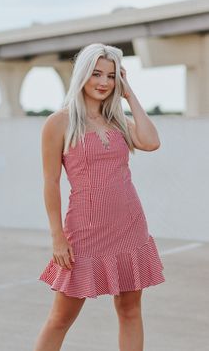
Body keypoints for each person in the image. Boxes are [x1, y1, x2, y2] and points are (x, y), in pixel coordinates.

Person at [33, 43, 165, 351]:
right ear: (82, 75)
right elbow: (50, 182)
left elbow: (152, 141)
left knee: (130, 310)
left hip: (130, 227)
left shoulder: (119, 121)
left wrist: (129, 93)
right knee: (60, 318)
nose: (103, 82)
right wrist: (57, 237)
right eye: (96, 74)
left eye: (110, 76)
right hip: (84, 232)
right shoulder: (58, 122)